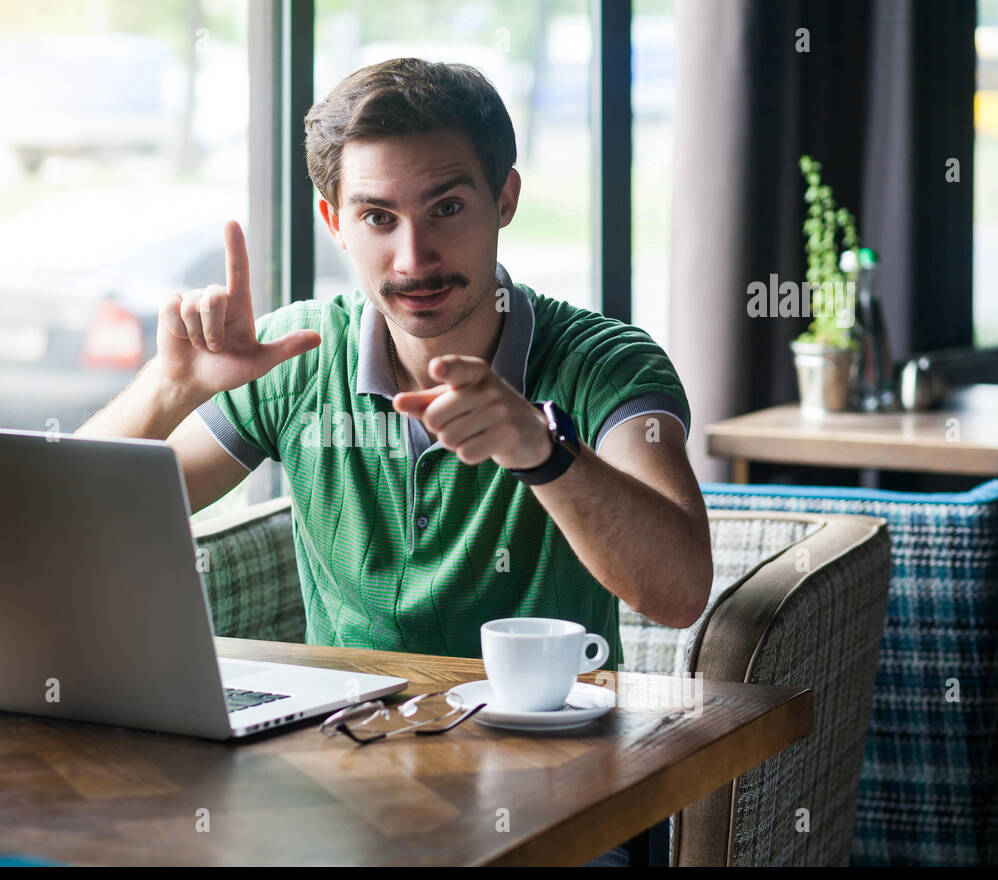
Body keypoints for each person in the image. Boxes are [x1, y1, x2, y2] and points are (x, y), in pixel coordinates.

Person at [81, 55, 710, 667]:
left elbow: (679, 594)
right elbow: (71, 520)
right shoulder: (297, 356)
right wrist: (167, 389)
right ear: (335, 222)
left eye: (447, 209)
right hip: (343, 751)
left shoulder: (603, 364)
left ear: (506, 199)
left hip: (550, 754)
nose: (413, 258)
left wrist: (540, 448)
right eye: (378, 218)